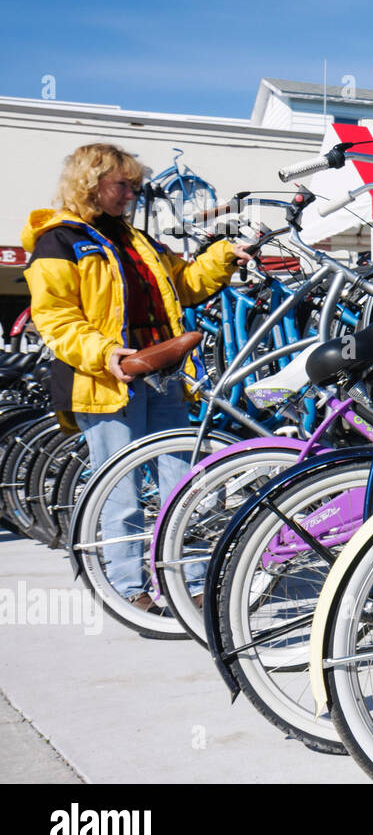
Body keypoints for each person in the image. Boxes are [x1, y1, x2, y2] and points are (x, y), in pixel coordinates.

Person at [21, 142, 251, 615]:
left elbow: (185, 283)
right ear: (91, 183)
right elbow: (56, 319)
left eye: (134, 185)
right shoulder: (58, 242)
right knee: (121, 490)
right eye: (122, 184)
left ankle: (187, 581)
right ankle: (130, 588)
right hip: (107, 379)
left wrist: (224, 255)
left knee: (181, 485)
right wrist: (105, 353)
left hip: (161, 373)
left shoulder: (136, 239)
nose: (132, 193)